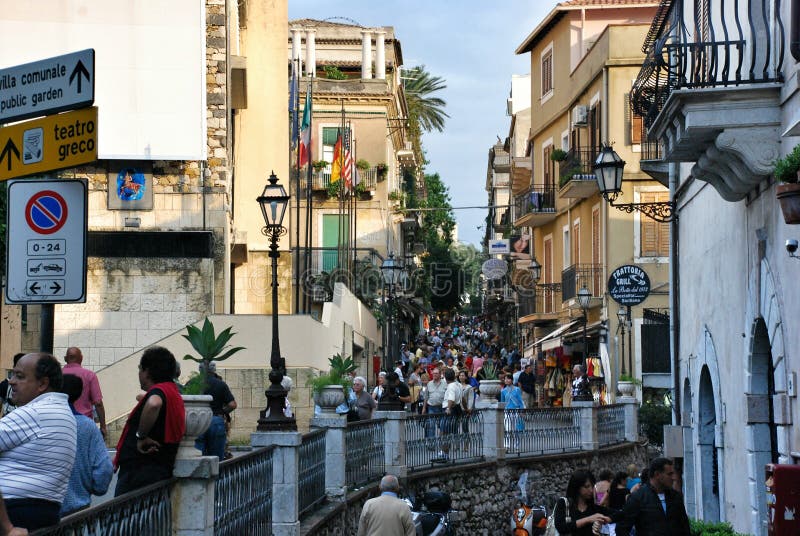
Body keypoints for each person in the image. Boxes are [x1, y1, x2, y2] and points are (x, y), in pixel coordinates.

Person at [0, 353, 77, 531]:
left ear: (42, 384)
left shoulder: (35, 413)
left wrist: (7, 527)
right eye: (12, 375)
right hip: (43, 513)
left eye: (20, 376)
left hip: (14, 514)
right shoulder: (62, 413)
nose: (11, 382)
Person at [114, 346, 186, 496]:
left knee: (126, 516)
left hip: (140, 473)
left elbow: (154, 404)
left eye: (140, 369)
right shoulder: (172, 390)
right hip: (157, 470)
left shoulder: (158, 391)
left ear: (147, 372)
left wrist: (141, 436)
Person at [59, 375, 113, 516]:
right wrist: (96, 487)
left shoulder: (35, 420)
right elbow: (104, 469)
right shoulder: (87, 426)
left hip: (36, 510)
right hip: (76, 510)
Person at [615, 458, 691, 536]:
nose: (673, 477)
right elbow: (621, 528)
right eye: (669, 474)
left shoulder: (675, 496)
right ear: (657, 474)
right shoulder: (638, 498)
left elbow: (684, 526)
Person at [62, 347, 107, 439]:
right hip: (84, 423)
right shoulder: (89, 375)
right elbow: (98, 403)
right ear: (81, 358)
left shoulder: (57, 375)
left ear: (65, 359)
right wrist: (103, 426)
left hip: (61, 423)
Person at [195, 362, 236, 459]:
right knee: (216, 459)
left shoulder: (193, 383)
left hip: (197, 421)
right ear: (214, 370)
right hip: (216, 420)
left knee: (198, 457)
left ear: (200, 370)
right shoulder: (221, 384)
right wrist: (223, 412)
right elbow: (232, 404)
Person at [553, 469, 613, 536]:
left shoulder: (593, 508)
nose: (591, 490)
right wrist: (589, 519)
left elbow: (620, 514)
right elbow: (561, 527)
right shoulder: (564, 503)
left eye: (592, 486)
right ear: (577, 487)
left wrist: (602, 522)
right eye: (586, 486)